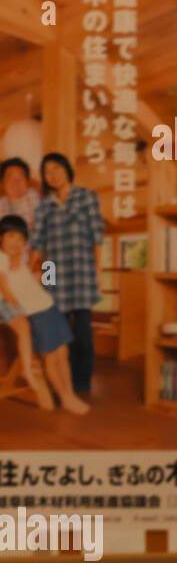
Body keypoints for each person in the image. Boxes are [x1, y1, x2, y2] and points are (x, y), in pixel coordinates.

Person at [29, 152, 104, 398]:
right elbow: (39, 246)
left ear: (66, 168)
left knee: (83, 334)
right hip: (52, 273)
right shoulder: (44, 206)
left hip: (81, 273)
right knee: (59, 334)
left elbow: (96, 238)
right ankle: (65, 383)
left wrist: (98, 271)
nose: (53, 174)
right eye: (47, 171)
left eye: (56, 168)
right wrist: (33, 279)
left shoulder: (86, 197)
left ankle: (82, 384)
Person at [0, 215, 87, 414]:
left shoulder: (24, 260)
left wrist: (43, 272)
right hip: (37, 315)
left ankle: (70, 394)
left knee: (63, 355)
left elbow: (44, 284)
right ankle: (65, 398)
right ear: (1, 238)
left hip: (50, 308)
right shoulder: (2, 261)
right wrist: (20, 310)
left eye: (21, 239)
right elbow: (7, 293)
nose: (16, 242)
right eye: (11, 236)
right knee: (51, 360)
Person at [0, 156, 44, 401]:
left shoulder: (36, 201)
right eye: (10, 177)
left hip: (35, 273)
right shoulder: (0, 206)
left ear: (28, 182)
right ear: (3, 183)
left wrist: (46, 279)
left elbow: (47, 245)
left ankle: (30, 368)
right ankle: (18, 369)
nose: (16, 182)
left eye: (21, 177)